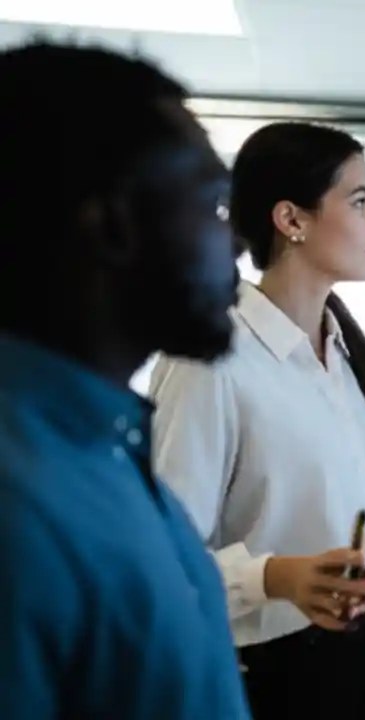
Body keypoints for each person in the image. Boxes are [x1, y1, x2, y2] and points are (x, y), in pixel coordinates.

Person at [148, 121, 365, 720]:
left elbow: (337, 508)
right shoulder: (209, 359)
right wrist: (274, 577)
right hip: (276, 673)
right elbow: (163, 560)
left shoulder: (344, 355)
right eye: (360, 199)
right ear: (291, 219)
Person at [0, 42, 250, 718]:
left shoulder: (109, 454)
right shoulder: (20, 501)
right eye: (213, 206)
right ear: (112, 226)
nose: (237, 246)